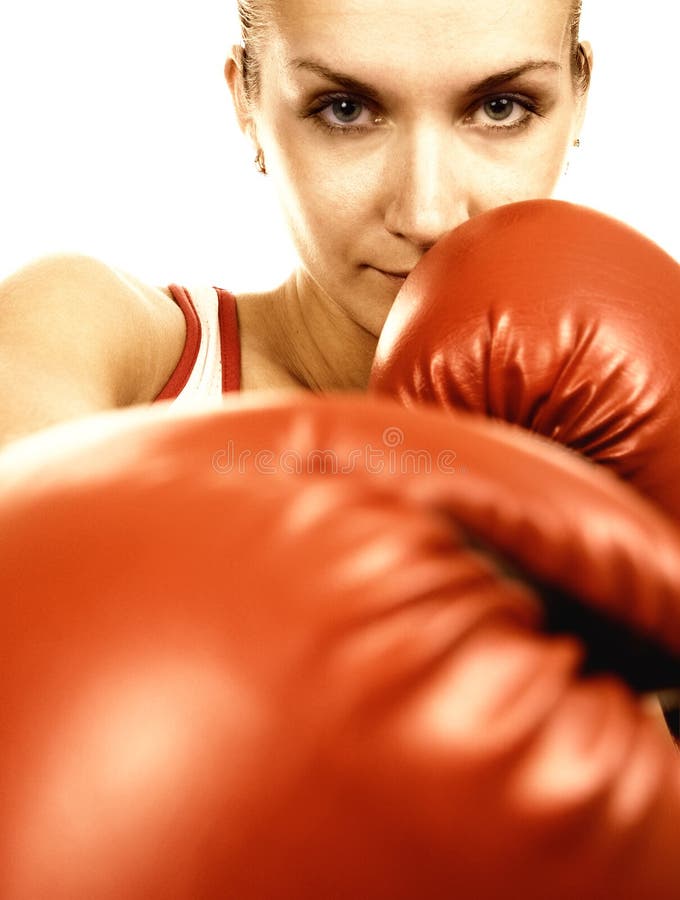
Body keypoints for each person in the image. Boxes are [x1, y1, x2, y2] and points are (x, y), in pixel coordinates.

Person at [0, 0, 592, 447]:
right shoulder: (104, 344)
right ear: (248, 107)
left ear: (578, 100)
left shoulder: (634, 422)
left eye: (501, 107)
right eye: (346, 109)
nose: (426, 216)